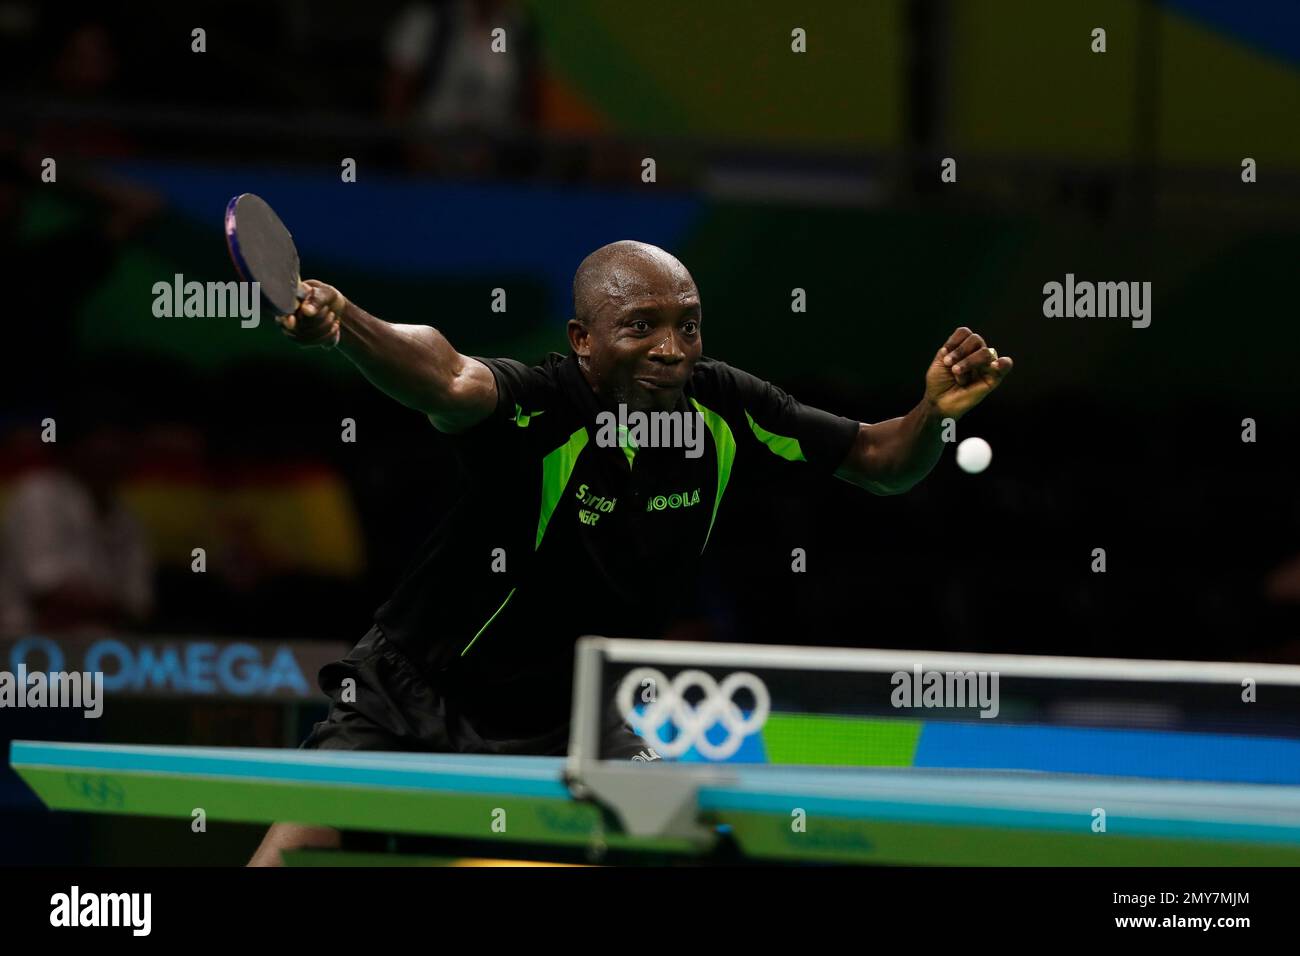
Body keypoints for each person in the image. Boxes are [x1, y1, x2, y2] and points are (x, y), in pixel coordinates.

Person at [248, 239, 1012, 864]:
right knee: (303, 844)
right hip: (418, 683)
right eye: (641, 326)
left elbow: (880, 462)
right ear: (583, 341)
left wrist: (932, 413)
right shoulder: (545, 408)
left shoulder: (726, 406)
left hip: (578, 709)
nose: (672, 349)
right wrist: (346, 321)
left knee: (679, 839)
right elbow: (447, 375)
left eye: (688, 324)